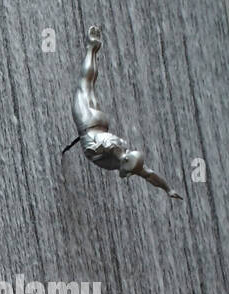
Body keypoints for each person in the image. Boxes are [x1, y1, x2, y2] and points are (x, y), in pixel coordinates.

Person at [62, 26, 182, 200]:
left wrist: (168, 189)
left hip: (97, 124)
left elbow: (150, 175)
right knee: (85, 85)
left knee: (87, 84)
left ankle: (92, 49)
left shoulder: (130, 160)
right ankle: (91, 48)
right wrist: (167, 189)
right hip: (89, 124)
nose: (129, 174)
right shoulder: (119, 153)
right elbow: (99, 147)